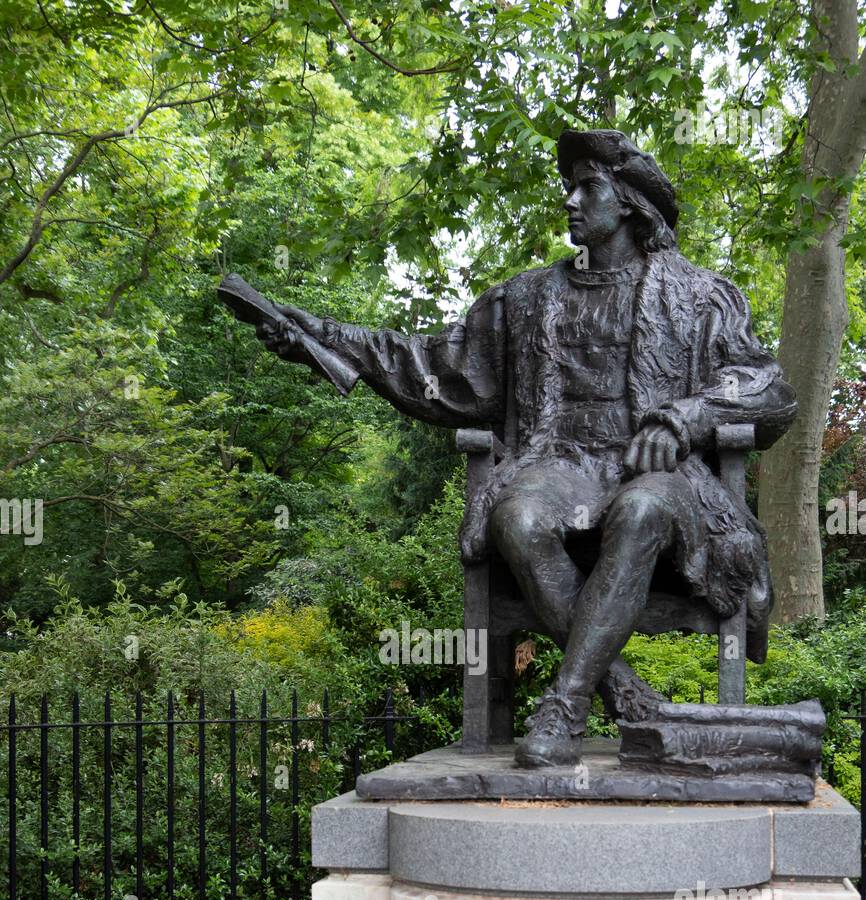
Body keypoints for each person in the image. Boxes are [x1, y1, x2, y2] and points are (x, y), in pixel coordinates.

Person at [256, 129, 796, 768]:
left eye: (586, 186)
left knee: (642, 511)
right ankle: (619, 687)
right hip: (560, 461)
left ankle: (566, 704)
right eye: (569, 186)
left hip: (661, 473)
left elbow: (770, 387)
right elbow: (436, 367)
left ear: (628, 202)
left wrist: (684, 418)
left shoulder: (699, 296)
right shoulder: (527, 298)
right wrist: (320, 339)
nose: (570, 200)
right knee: (516, 516)